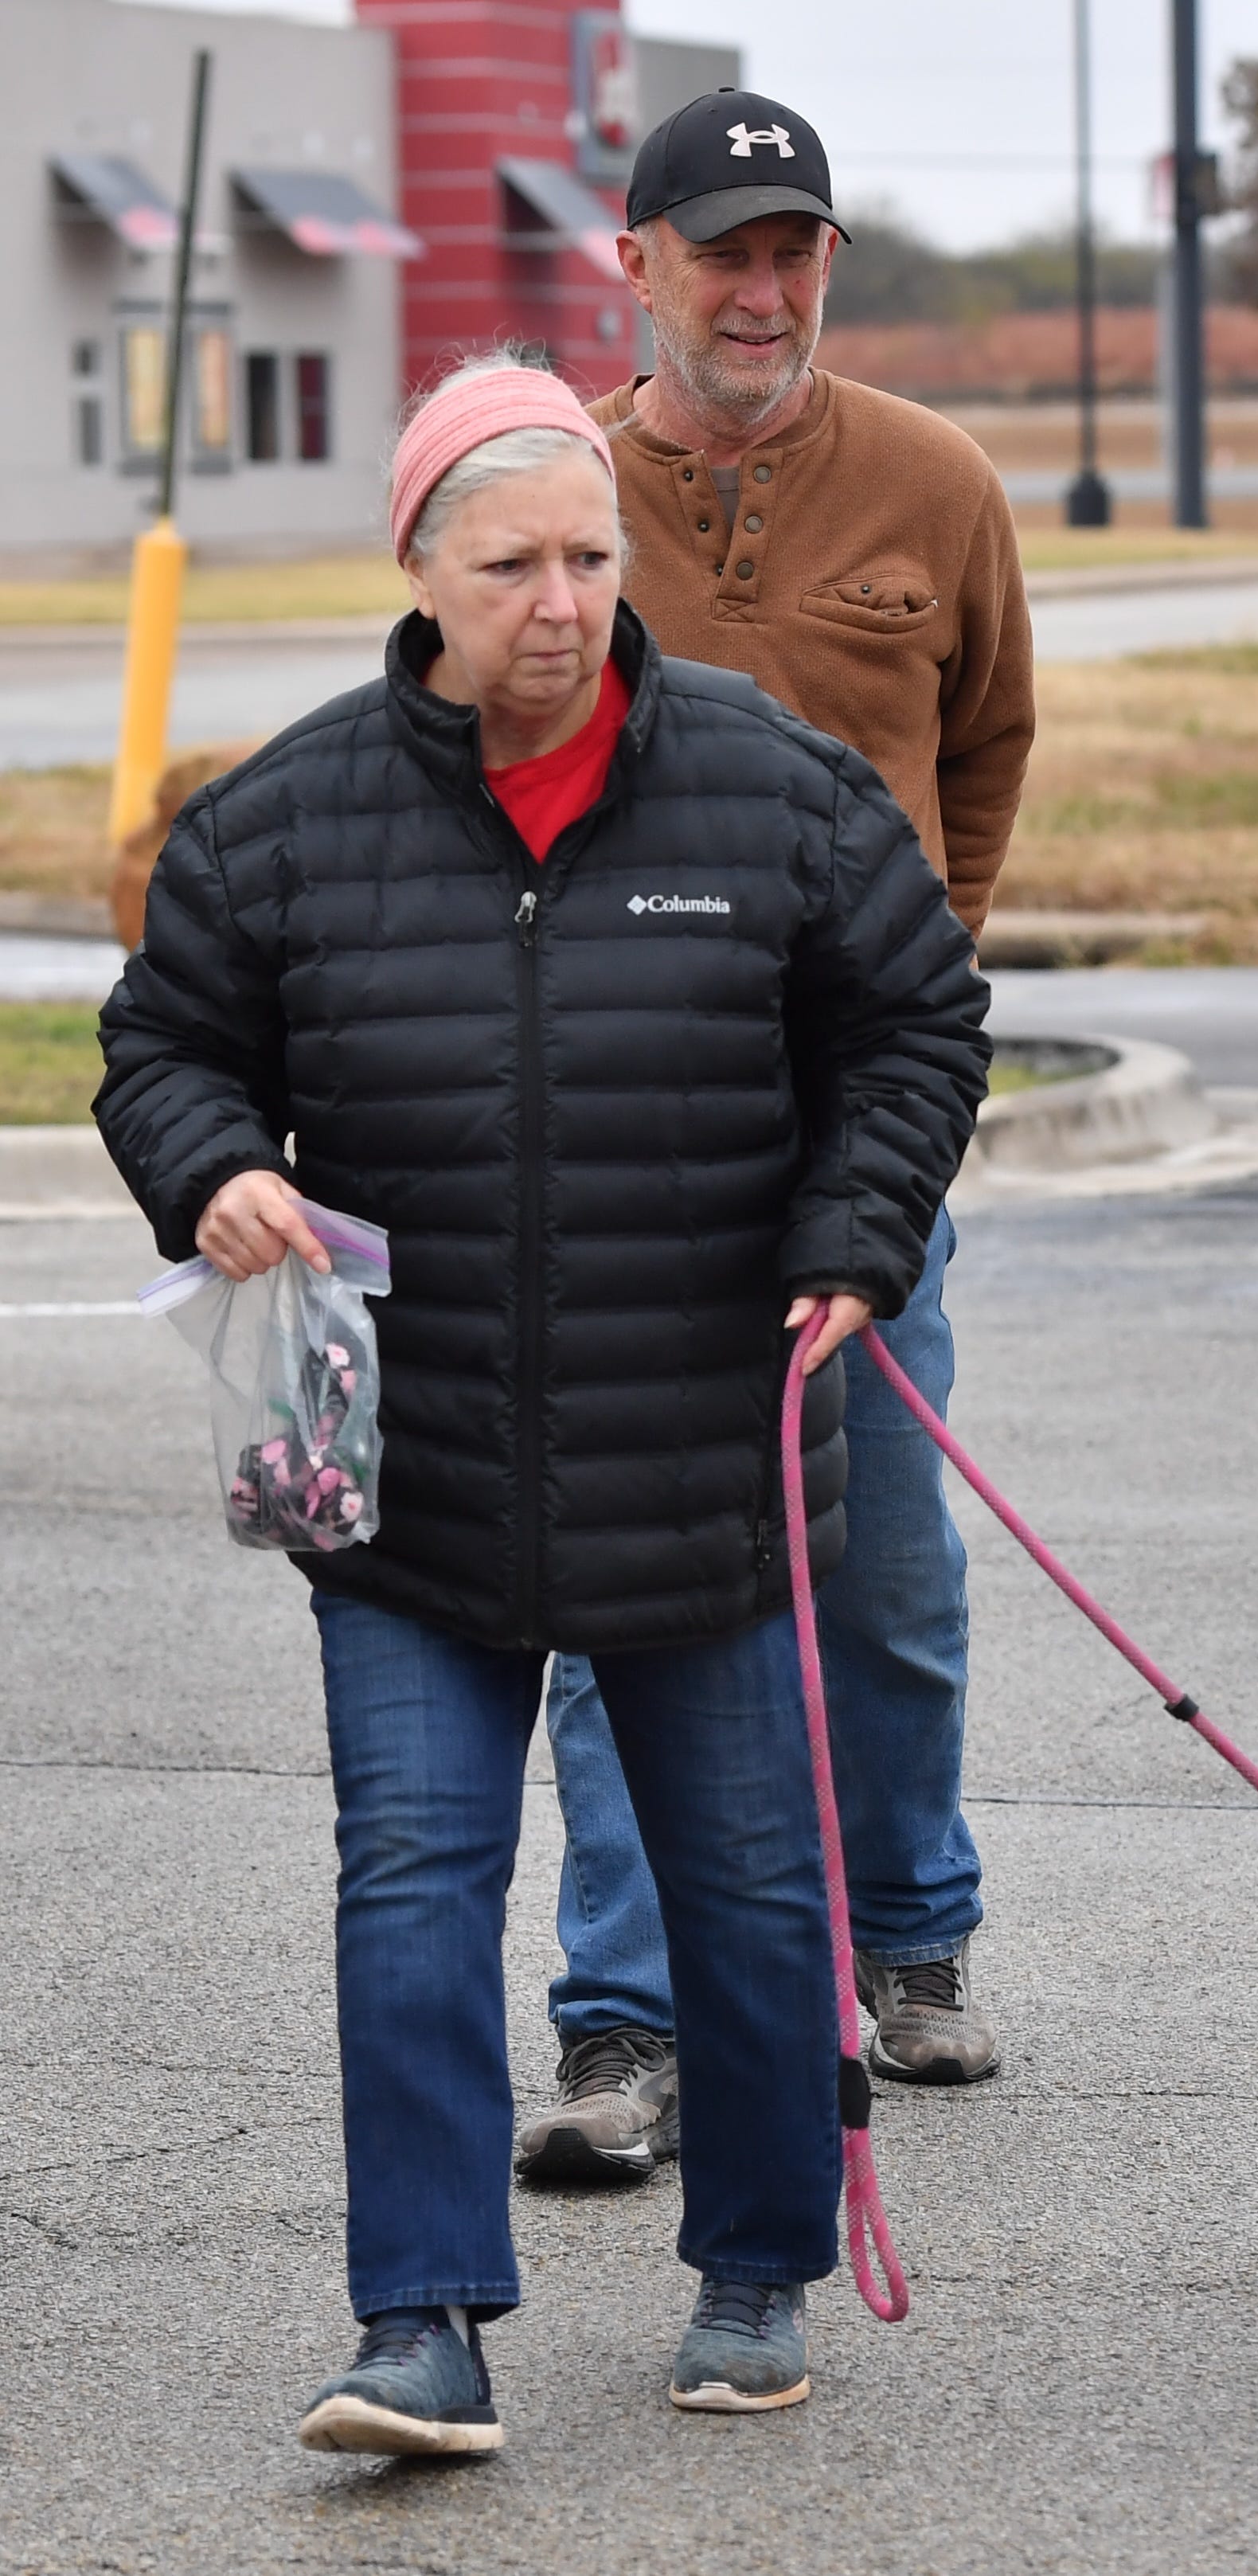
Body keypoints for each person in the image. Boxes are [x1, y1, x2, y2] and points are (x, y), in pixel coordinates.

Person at [94, 354, 991, 2446]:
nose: (560, 599)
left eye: (589, 553)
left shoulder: (768, 785)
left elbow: (917, 1021)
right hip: (403, 1464)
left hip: (710, 1447)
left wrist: (860, 1233)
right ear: (421, 569)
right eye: (510, 563)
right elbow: (162, 1048)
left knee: (754, 1881)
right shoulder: (280, 820)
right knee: (410, 1869)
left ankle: (757, 2261)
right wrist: (211, 1163)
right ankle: (419, 2319)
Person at [514, 87, 1035, 2180]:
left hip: (864, 1134)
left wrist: (918, 980)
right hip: (610, 1146)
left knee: (888, 1557)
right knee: (616, 1584)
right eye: (719, 247)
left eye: (792, 245)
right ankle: (629, 2021)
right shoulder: (550, 494)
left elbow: (984, 745)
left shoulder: (937, 481)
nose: (760, 285)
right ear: (632, 265)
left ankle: (913, 1933)